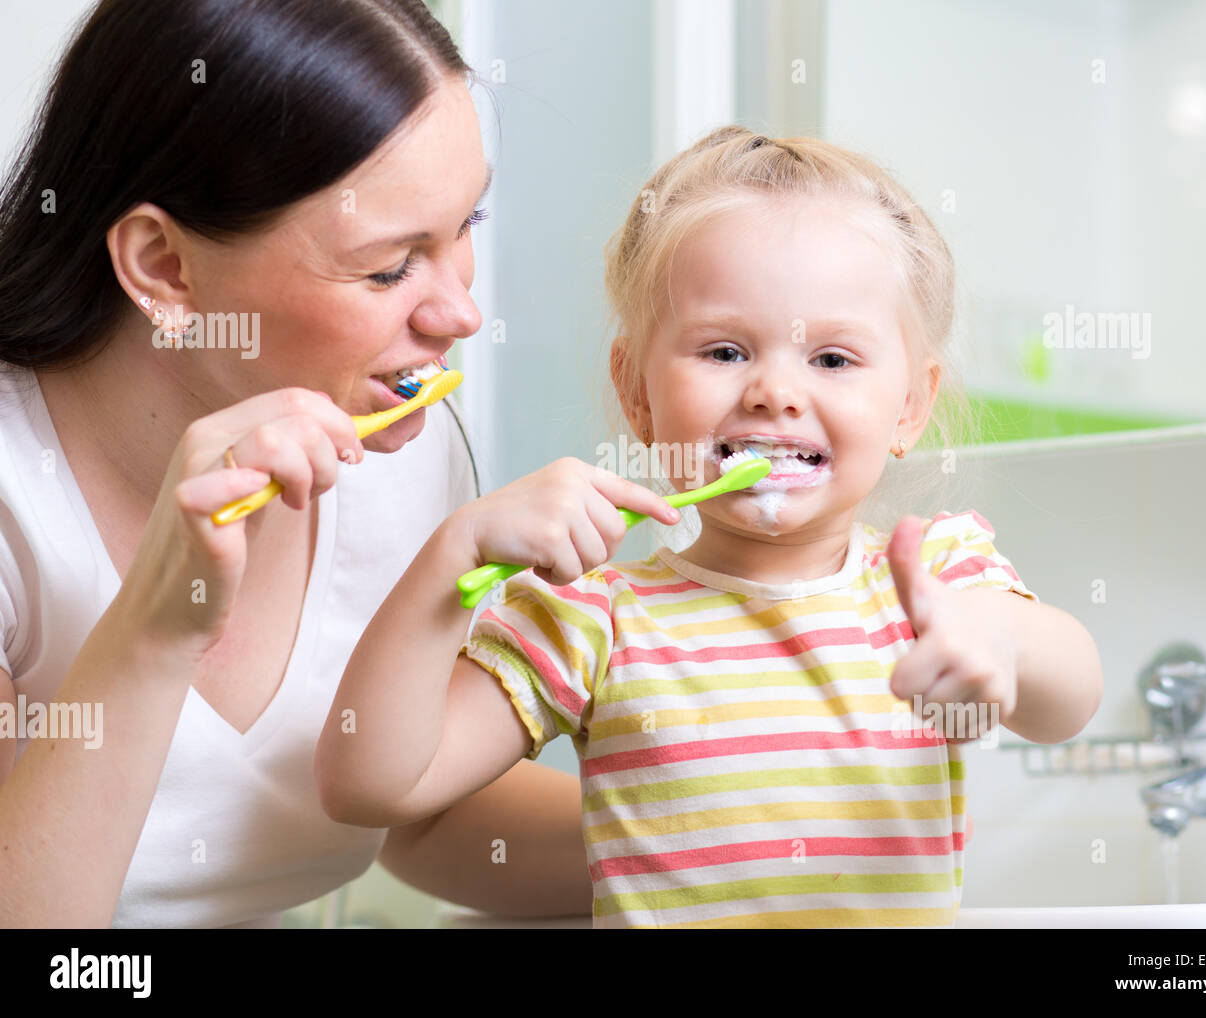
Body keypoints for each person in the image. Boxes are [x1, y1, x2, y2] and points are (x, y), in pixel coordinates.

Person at [315, 126, 1106, 928]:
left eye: (832, 360)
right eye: (725, 351)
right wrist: (455, 553)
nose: (775, 392)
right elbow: (371, 788)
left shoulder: (935, 583)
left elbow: (1069, 703)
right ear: (638, 393)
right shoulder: (593, 619)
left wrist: (999, 641)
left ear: (910, 406)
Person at [0, 0, 655, 928]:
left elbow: (415, 822)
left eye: (465, 224)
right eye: (391, 269)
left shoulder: (402, 461)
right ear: (165, 268)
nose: (460, 314)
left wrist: (742, 829)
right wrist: (154, 627)